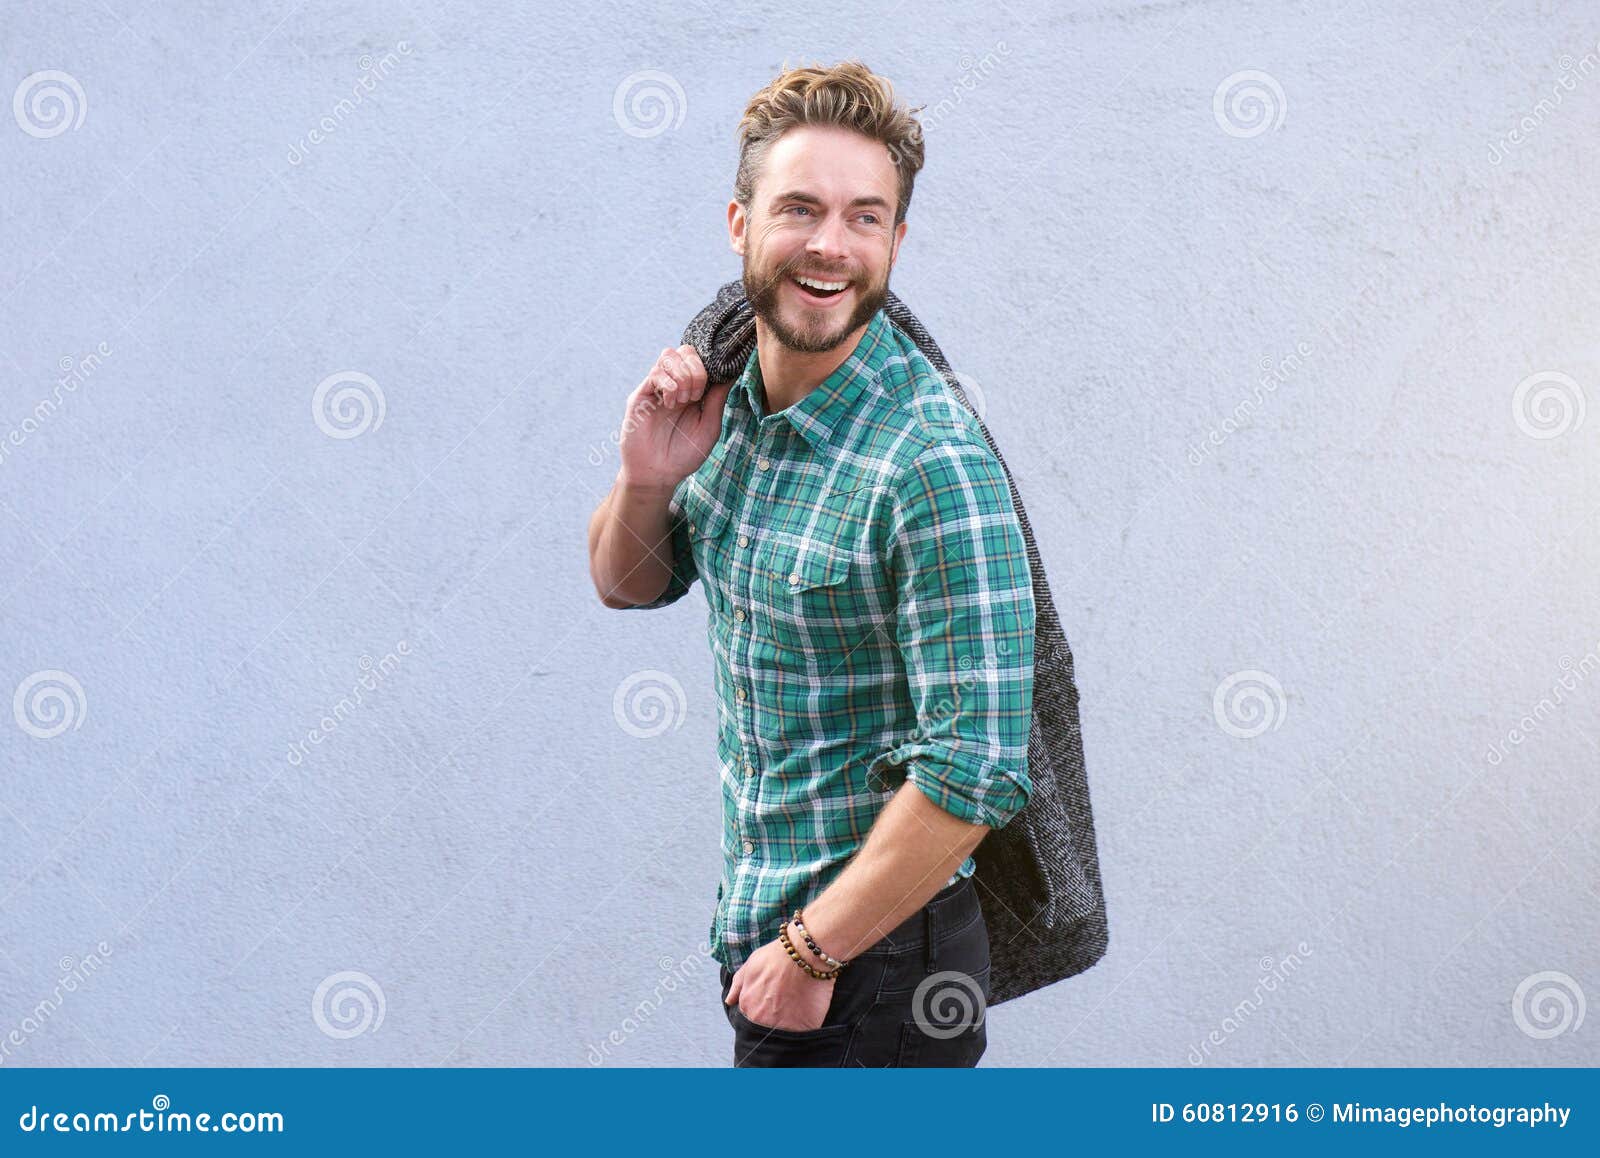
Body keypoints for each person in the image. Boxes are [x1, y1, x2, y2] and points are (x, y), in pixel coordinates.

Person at [586, 60, 1034, 1067]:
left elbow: (976, 769)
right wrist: (648, 479)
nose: (829, 245)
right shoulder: (731, 401)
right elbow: (626, 581)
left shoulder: (928, 462)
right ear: (739, 224)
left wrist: (809, 952)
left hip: (874, 974)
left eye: (863, 217)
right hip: (783, 951)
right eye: (799, 209)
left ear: (896, 241)